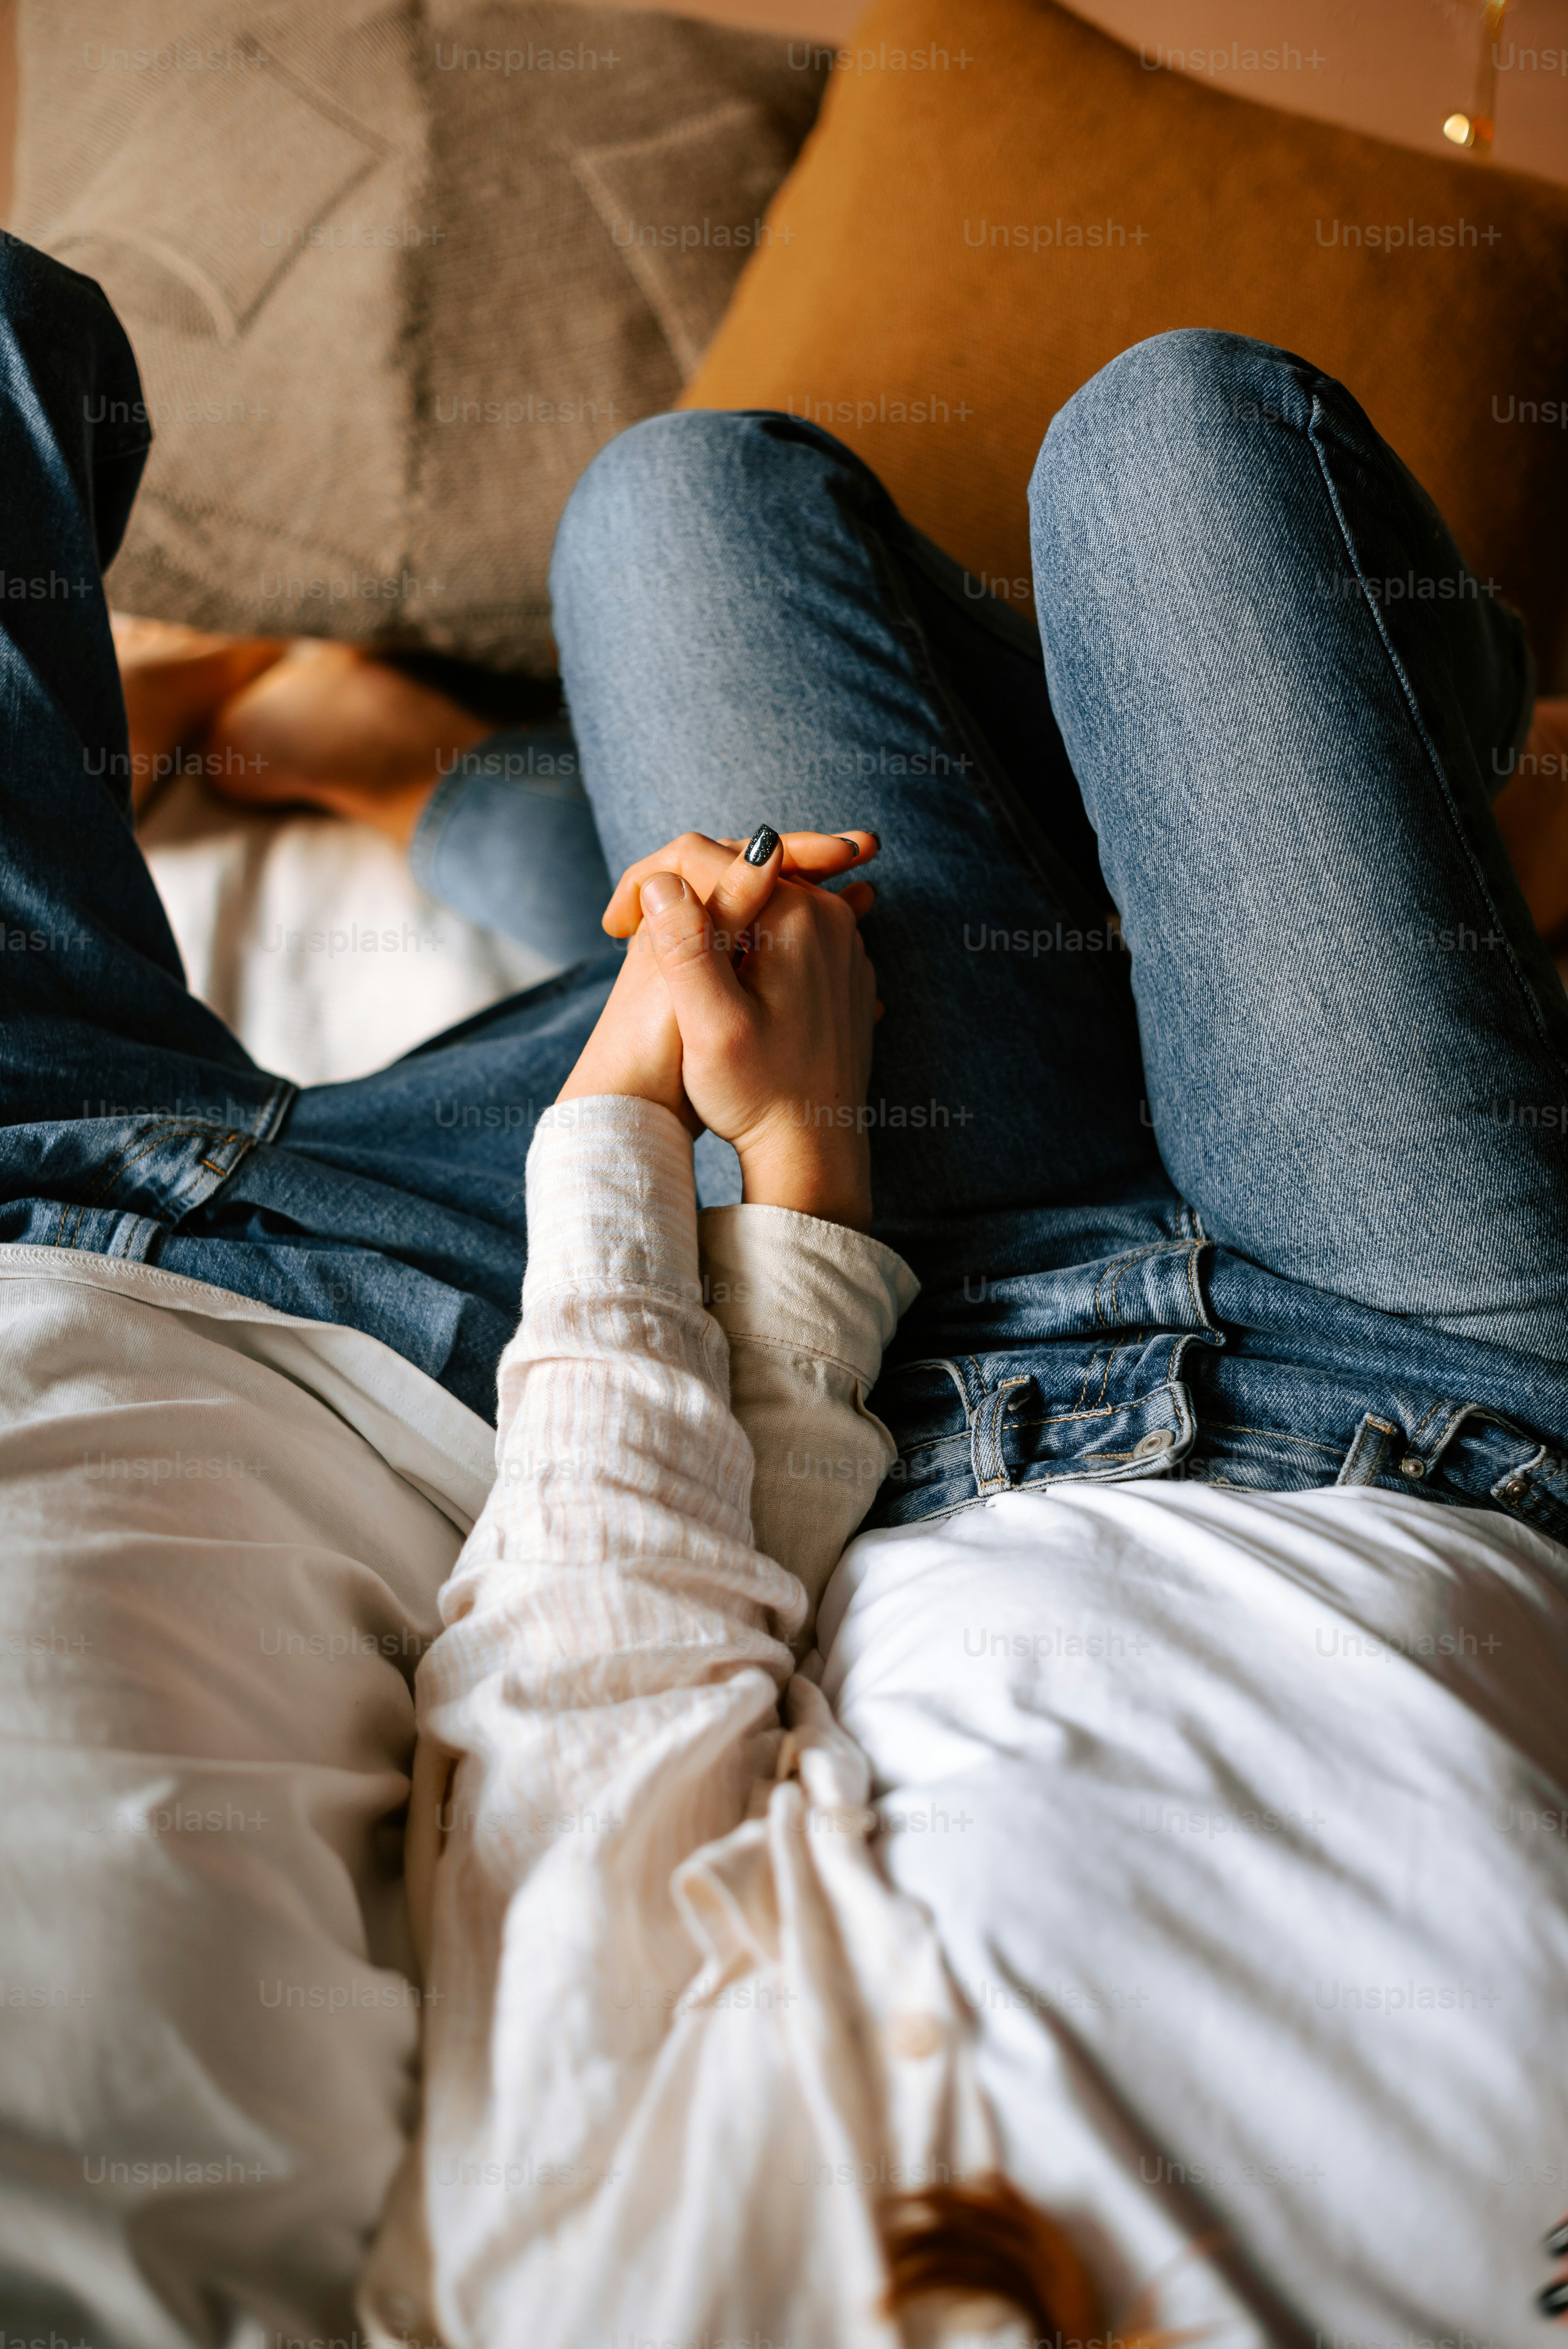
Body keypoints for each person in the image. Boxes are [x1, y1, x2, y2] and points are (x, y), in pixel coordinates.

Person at [1, 225, 1567, 2349]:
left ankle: (1140, 835)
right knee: (1189, 439)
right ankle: (1400, 786)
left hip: (938, 1369)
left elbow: (597, 1722)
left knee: (690, 501)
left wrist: (785, 1154)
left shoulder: (586, 2300)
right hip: (1442, 1416)